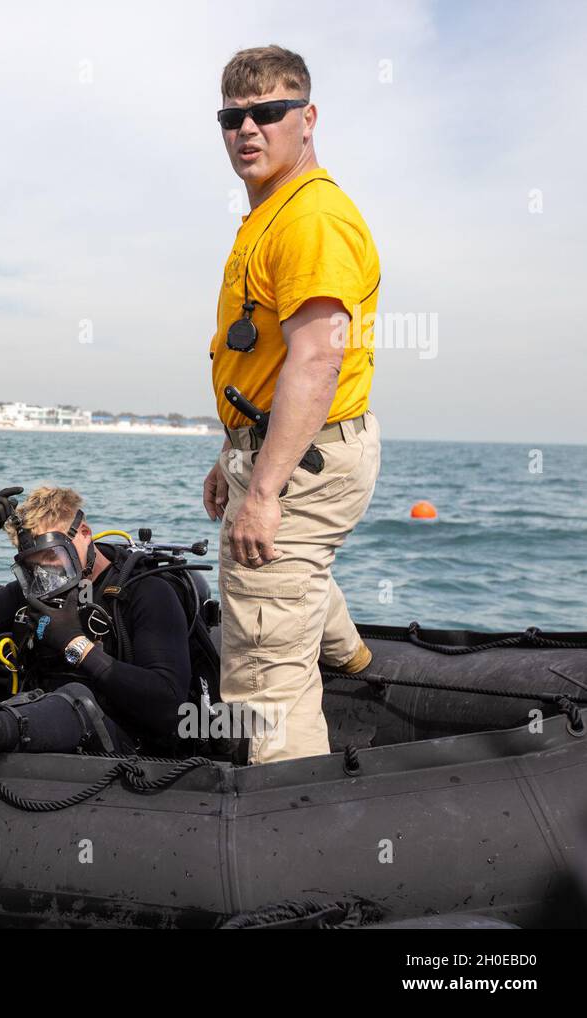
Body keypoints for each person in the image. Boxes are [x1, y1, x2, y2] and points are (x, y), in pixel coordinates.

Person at [202, 45, 382, 764]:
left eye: (269, 113)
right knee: (289, 577)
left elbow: (317, 357)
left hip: (304, 459)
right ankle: (359, 667)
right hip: (281, 445)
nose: (249, 129)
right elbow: (268, 359)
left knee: (262, 671)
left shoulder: (311, 218)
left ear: (306, 119)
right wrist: (232, 457)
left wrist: (266, 489)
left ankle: (292, 824)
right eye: (233, 117)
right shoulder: (272, 215)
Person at [0, 486, 195, 787]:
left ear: (83, 533)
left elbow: (168, 705)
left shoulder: (147, 592)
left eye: (53, 557)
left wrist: (75, 646)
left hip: (128, 740)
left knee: (77, 697)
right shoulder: (39, 589)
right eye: (33, 565)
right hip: (42, 718)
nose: (46, 572)